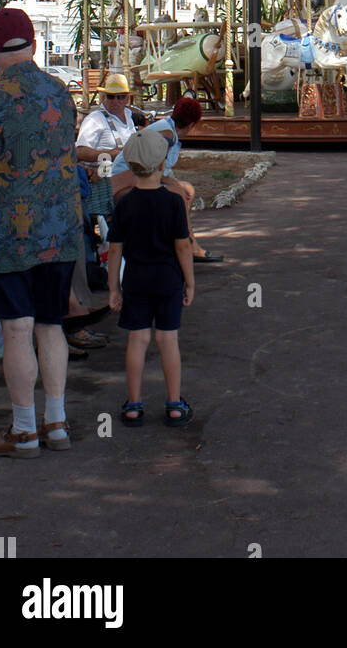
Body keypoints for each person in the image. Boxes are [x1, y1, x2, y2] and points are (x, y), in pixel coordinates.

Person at [0, 8, 81, 457]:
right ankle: (56, 425)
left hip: (5, 236)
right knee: (51, 326)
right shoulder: (62, 92)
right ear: (34, 44)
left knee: (17, 330)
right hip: (60, 230)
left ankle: (22, 432)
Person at [107, 129, 194, 427]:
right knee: (168, 339)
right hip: (168, 279)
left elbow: (115, 250)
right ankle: (174, 404)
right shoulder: (172, 202)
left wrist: (113, 288)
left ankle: (133, 404)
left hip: (135, 279)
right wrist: (190, 282)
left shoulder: (124, 204)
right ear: (161, 164)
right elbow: (183, 246)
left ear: (130, 165)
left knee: (138, 338)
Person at [108, 97, 222, 262]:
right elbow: (146, 166)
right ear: (191, 125)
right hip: (126, 181)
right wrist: (169, 181)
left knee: (187, 190)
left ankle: (181, 241)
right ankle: (186, 246)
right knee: (179, 194)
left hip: (136, 177)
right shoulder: (167, 134)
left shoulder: (168, 129)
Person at [75, 73, 136, 174]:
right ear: (104, 97)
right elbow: (80, 152)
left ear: (127, 99)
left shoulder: (128, 114)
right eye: (111, 96)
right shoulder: (95, 119)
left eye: (120, 97)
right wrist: (110, 154)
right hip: (103, 176)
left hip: (127, 173)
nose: (115, 101)